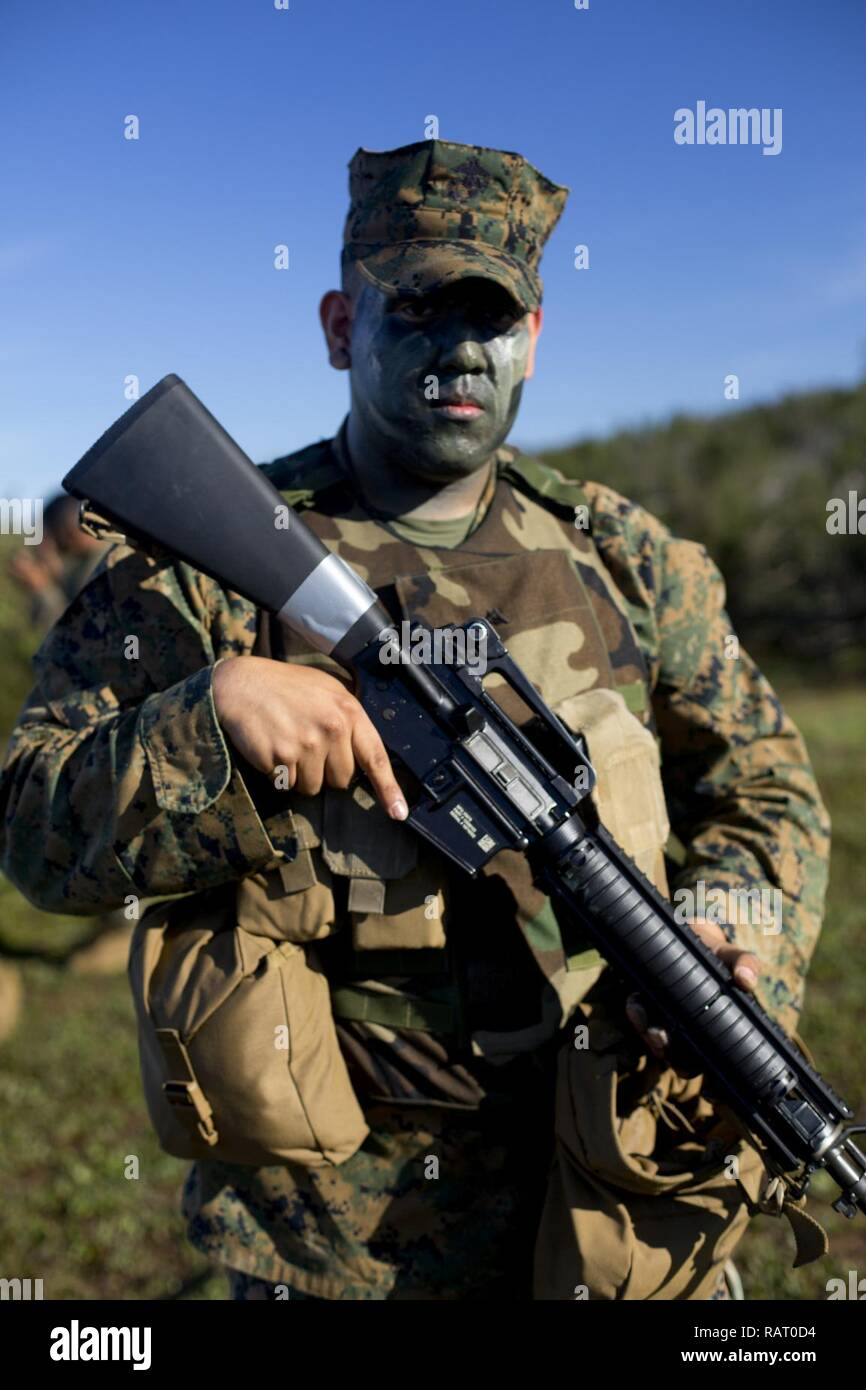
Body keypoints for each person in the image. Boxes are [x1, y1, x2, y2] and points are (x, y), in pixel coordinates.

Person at [0, 139, 830, 1300]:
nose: (457, 348)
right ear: (342, 326)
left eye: (489, 315)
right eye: (417, 306)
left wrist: (736, 936)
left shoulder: (632, 562)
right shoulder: (193, 576)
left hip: (607, 1214)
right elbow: (29, 825)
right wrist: (213, 719)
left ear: (532, 340)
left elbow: (764, 791)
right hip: (334, 1243)